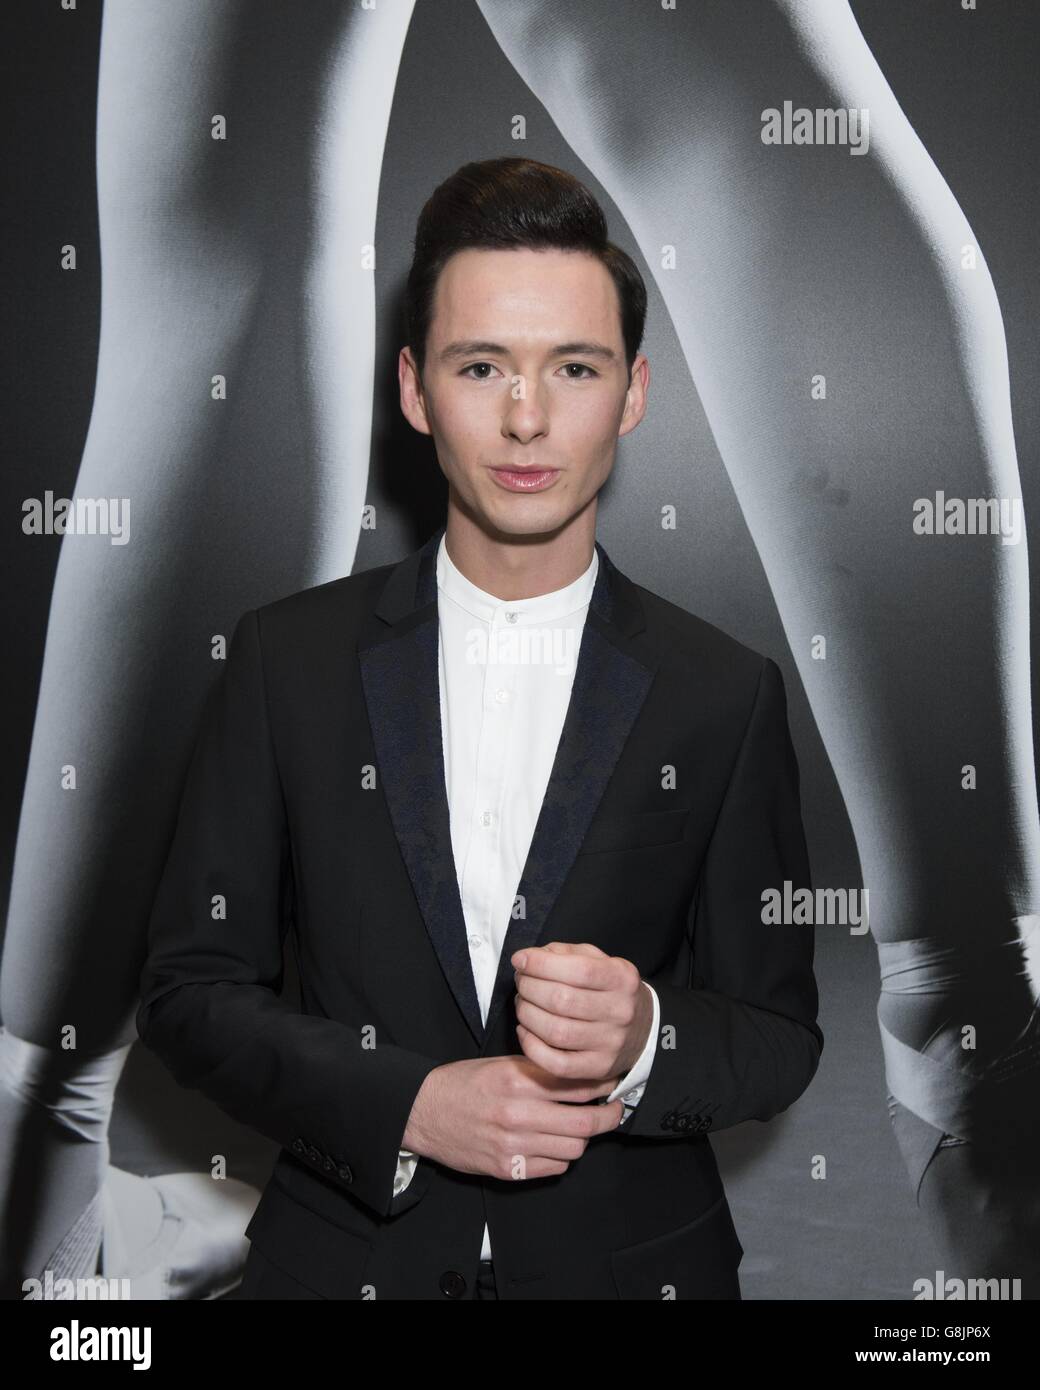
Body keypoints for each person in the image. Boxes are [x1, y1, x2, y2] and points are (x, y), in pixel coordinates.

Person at [135, 157, 823, 1300]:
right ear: (413, 389)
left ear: (633, 392)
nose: (524, 415)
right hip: (341, 1263)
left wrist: (646, 1035)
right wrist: (405, 1103)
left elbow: (776, 1032)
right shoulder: (284, 661)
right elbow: (191, 991)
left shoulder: (724, 689)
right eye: (481, 364)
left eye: (573, 367)